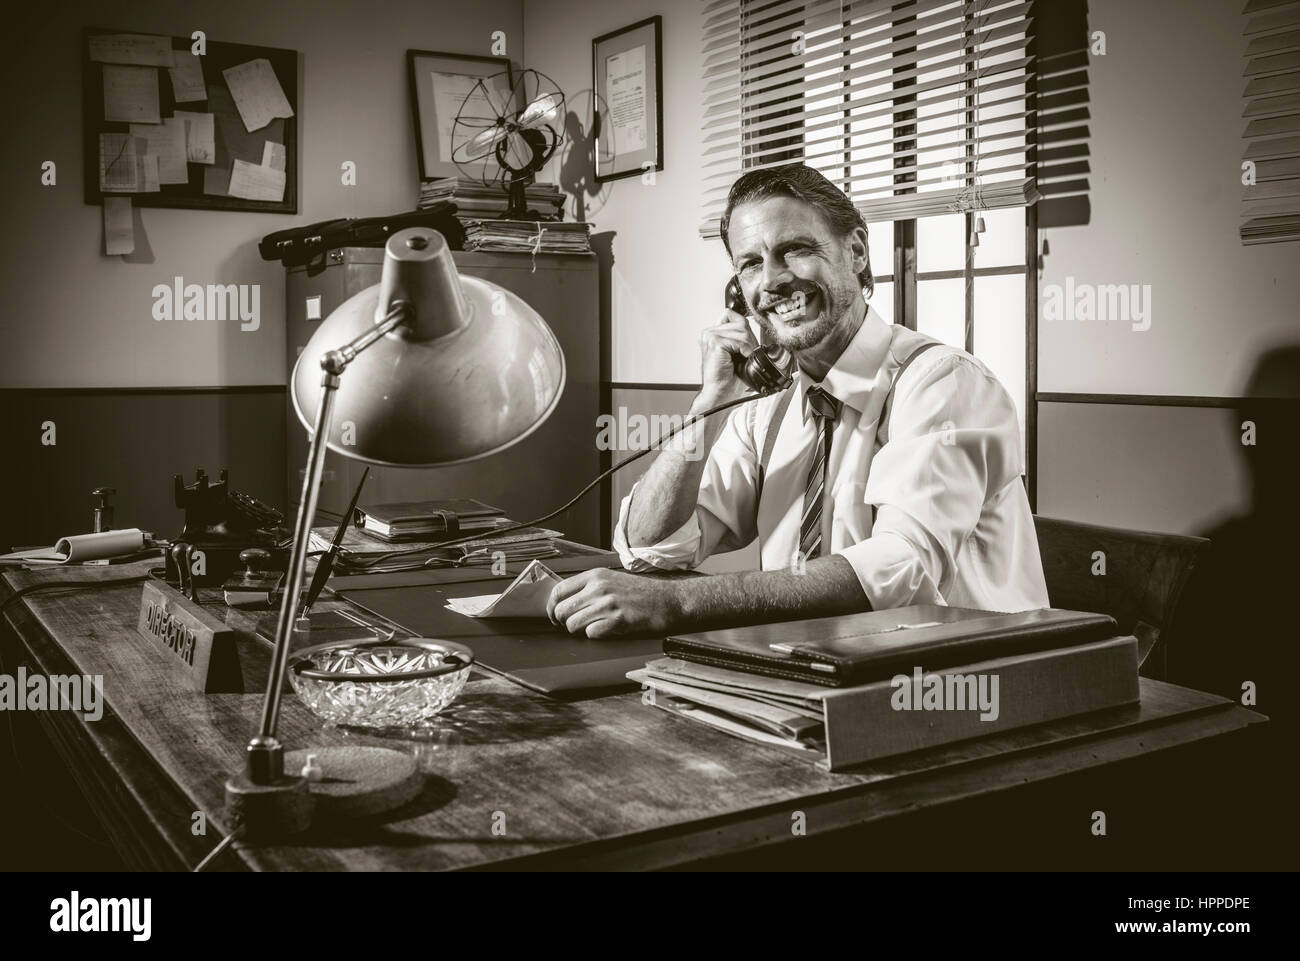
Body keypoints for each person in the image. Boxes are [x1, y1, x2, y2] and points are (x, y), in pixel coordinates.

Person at [547, 163, 1047, 637]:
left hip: (961, 686)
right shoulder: (767, 400)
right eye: (750, 264)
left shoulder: (942, 384)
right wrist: (709, 405)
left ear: (855, 252)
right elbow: (649, 547)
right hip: (815, 670)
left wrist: (678, 604)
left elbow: (901, 571)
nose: (771, 280)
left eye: (794, 249)